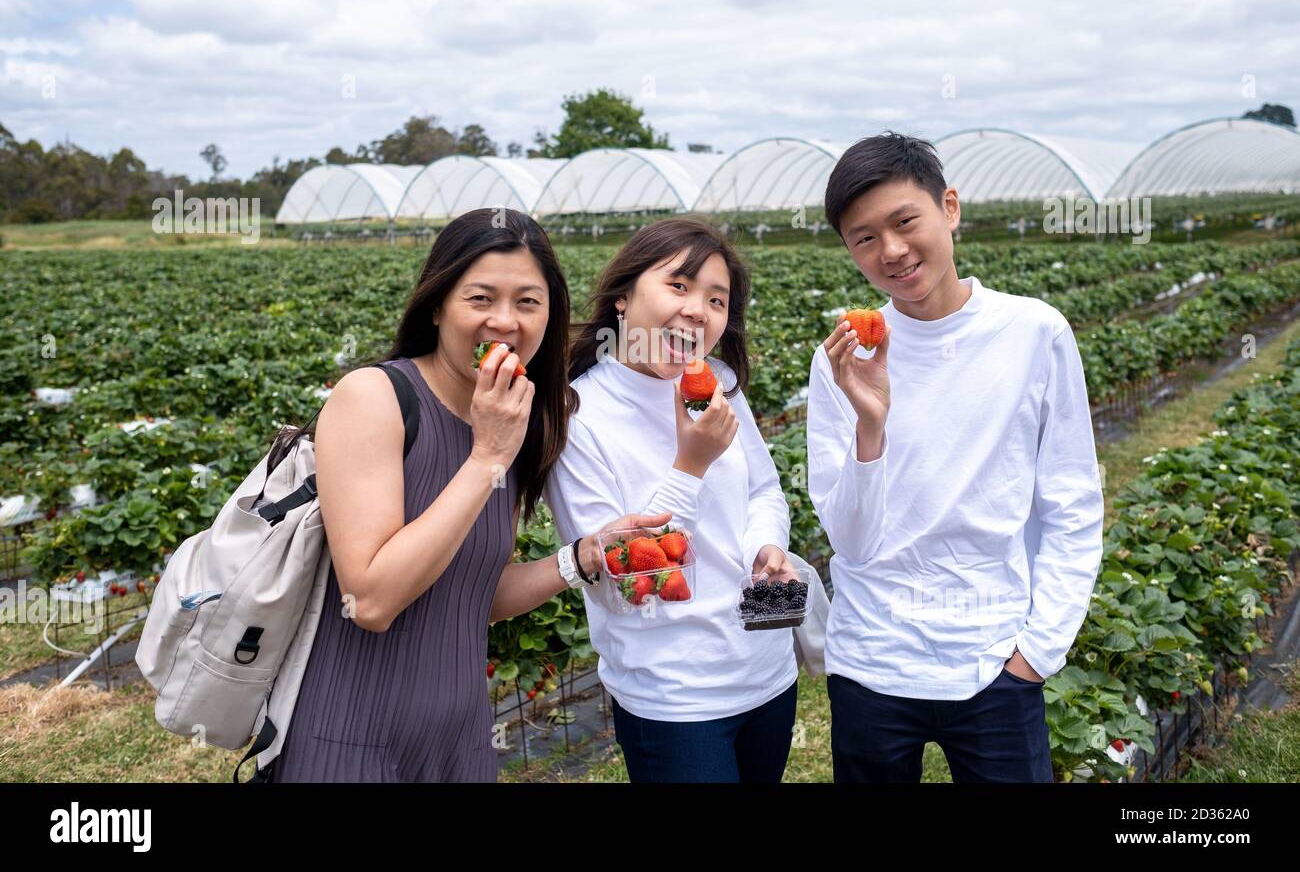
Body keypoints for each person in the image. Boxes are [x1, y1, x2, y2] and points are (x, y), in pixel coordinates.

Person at [268, 207, 665, 782]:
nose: (505, 321)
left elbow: (472, 592)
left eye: (528, 302)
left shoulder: (508, 415)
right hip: (348, 741)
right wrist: (487, 457)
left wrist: (581, 556)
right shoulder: (375, 398)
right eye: (480, 299)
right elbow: (374, 601)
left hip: (461, 745)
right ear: (436, 305)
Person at [808, 132, 1104, 783]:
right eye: (864, 237)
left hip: (995, 657)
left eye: (905, 221)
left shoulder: (1034, 332)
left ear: (949, 208)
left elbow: (1073, 502)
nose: (890, 250)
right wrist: (870, 427)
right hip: (871, 664)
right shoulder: (841, 359)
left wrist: (1037, 651)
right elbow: (850, 542)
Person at [544, 216, 799, 783]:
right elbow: (622, 585)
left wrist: (766, 545)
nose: (697, 310)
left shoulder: (721, 381)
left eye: (716, 299)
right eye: (678, 287)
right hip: (676, 697)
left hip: (766, 668)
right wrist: (692, 465)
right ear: (622, 297)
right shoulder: (578, 417)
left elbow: (764, 489)